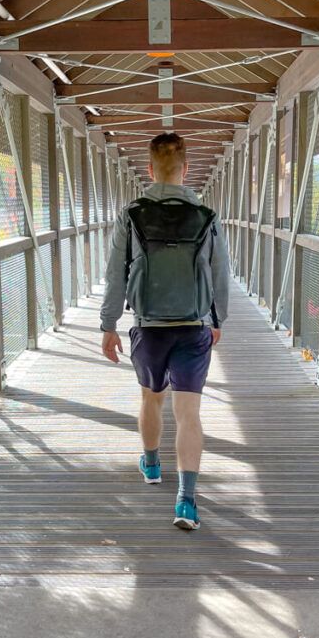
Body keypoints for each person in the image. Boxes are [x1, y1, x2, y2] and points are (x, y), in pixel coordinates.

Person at [100, 132, 230, 530]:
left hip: (150, 326)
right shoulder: (207, 217)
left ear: (150, 169)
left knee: (151, 399)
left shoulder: (132, 214)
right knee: (189, 414)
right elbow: (221, 273)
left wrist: (108, 325)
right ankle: (186, 502)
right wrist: (217, 319)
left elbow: (115, 275)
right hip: (193, 325)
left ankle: (152, 464)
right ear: (186, 169)